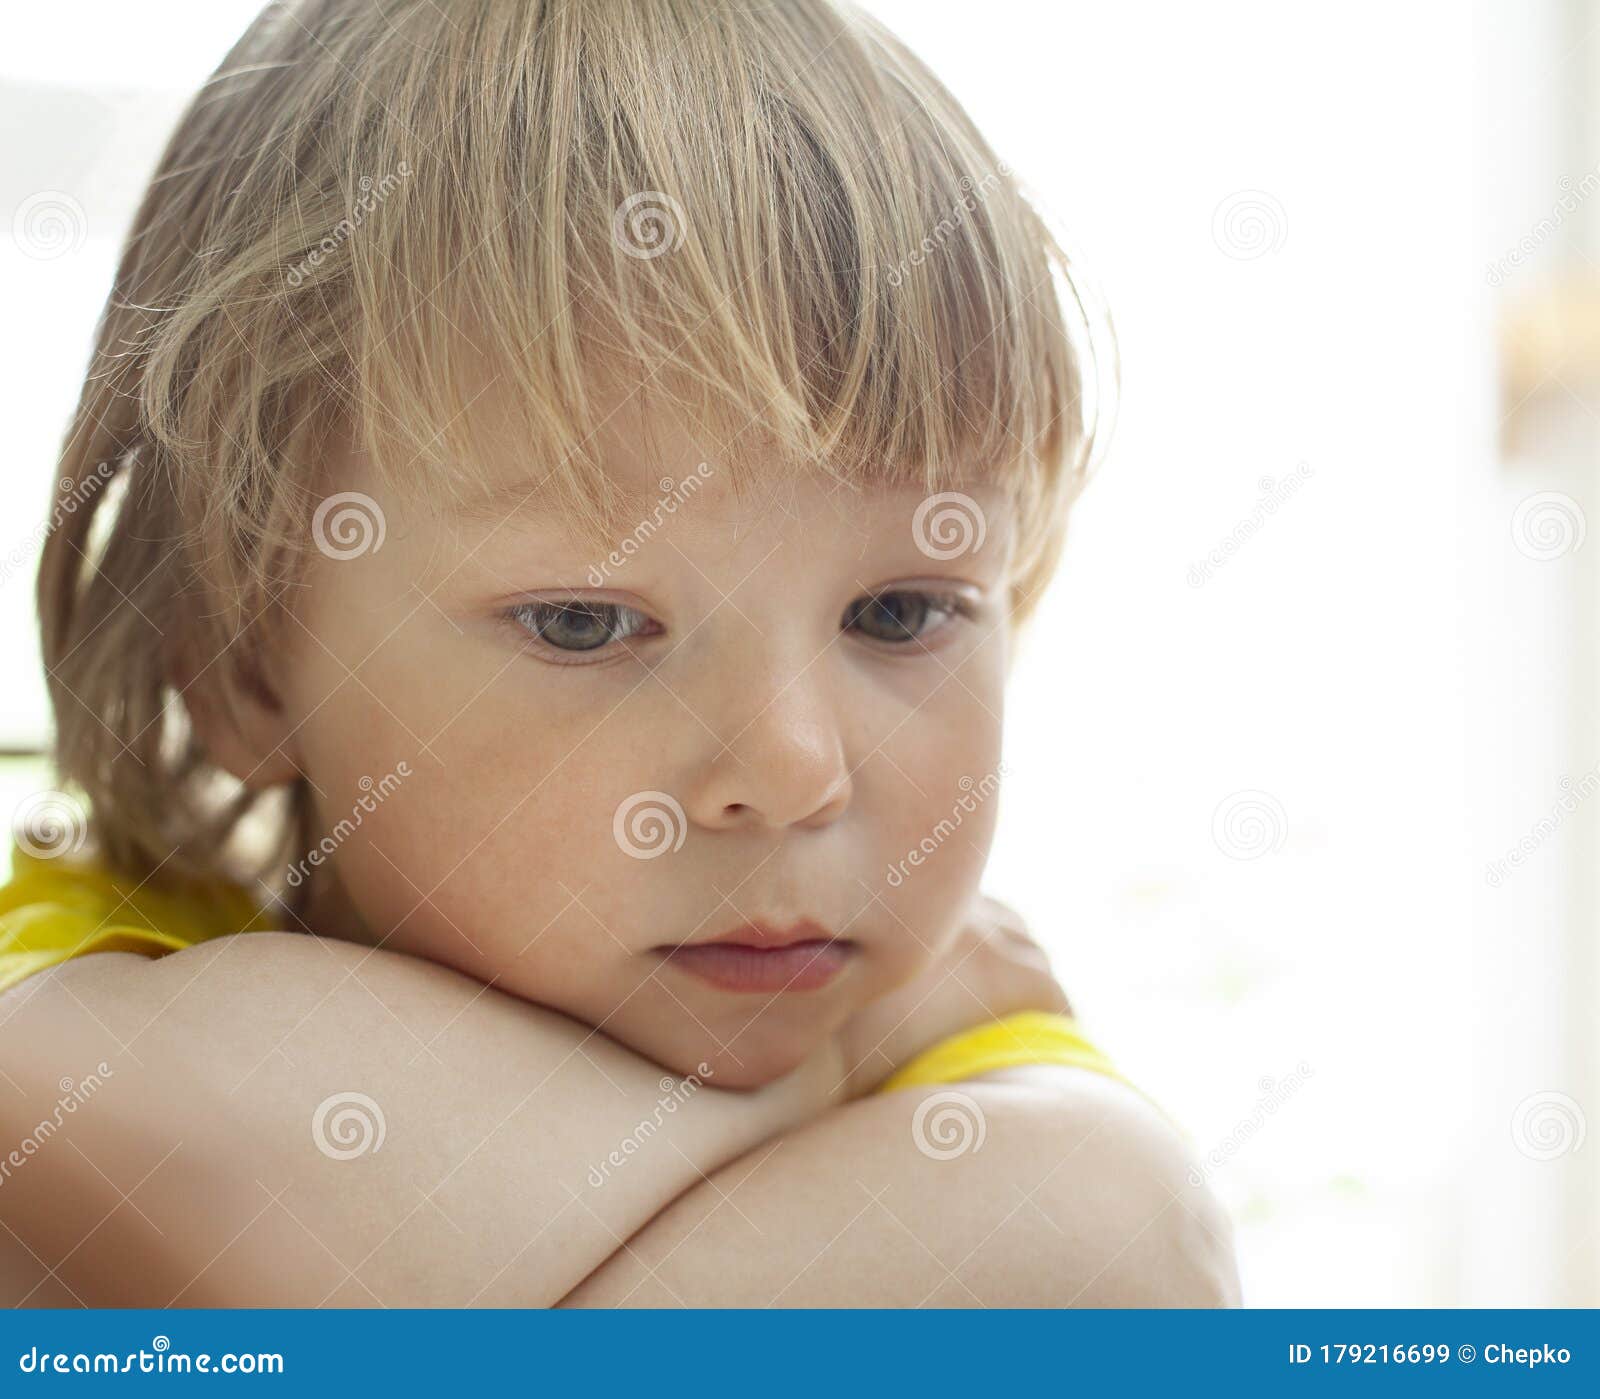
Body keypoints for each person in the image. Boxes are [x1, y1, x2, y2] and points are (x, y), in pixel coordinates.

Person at [0, 0, 1239, 1307]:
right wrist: (821, 1090)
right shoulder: (92, 974)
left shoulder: (997, 1089)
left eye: (901, 612)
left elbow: (1129, 1233)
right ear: (247, 662)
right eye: (586, 623)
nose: (791, 767)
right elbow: (264, 1200)